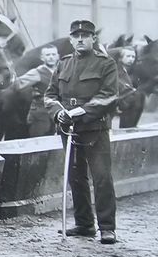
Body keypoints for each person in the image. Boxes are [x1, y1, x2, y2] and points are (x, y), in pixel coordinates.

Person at [43, 19, 120, 244]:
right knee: (75, 177)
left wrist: (79, 112)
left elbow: (109, 96)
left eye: (85, 35)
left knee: (102, 177)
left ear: (93, 39)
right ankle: (84, 224)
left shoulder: (106, 64)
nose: (80, 39)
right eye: (75, 36)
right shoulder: (63, 64)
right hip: (68, 128)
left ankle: (107, 227)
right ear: (70, 39)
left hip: (94, 128)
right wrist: (58, 112)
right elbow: (50, 95)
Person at [13, 44, 60, 137]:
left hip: (56, 114)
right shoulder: (37, 73)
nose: (51, 57)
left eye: (53, 54)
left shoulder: (61, 71)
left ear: (58, 56)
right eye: (48, 55)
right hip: (40, 116)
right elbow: (17, 85)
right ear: (42, 58)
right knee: (40, 145)